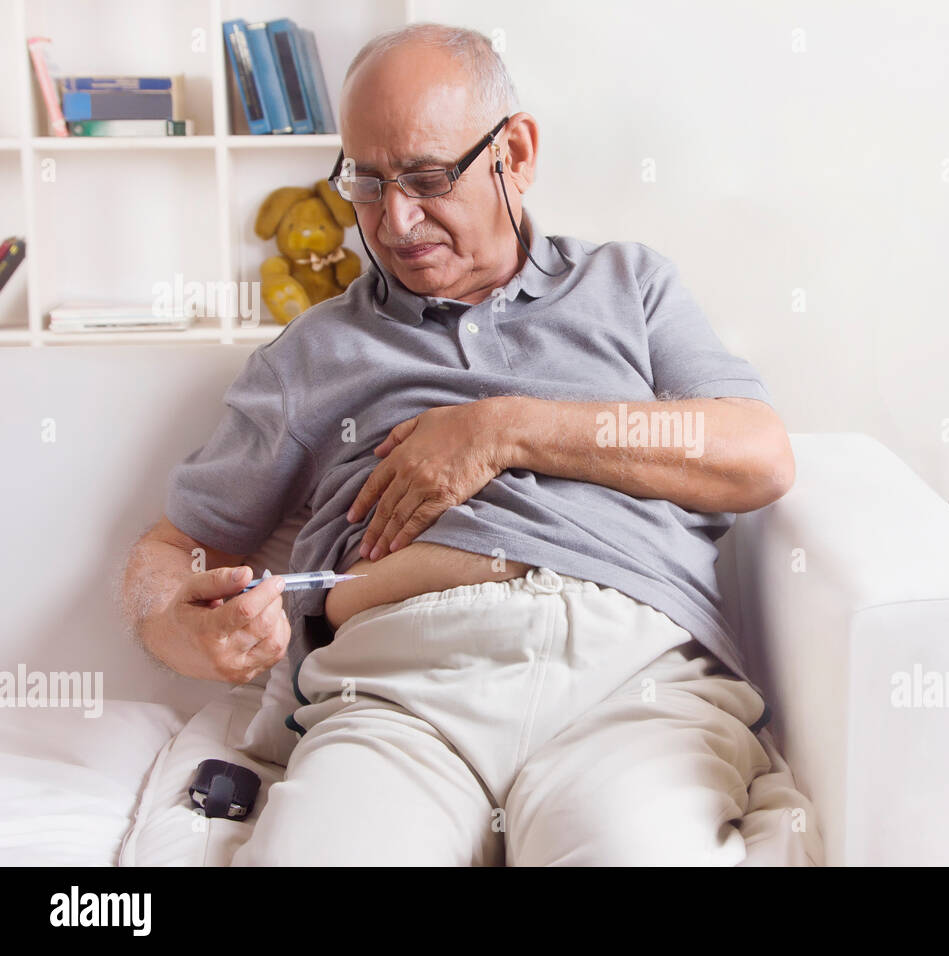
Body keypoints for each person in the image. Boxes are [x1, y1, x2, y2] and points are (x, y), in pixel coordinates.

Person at [120, 23, 821, 866]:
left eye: (426, 177)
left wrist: (504, 430)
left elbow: (757, 455)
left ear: (514, 153)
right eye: (367, 184)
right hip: (400, 691)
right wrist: (176, 626)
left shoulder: (628, 285)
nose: (396, 220)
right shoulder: (310, 355)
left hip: (628, 676)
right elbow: (174, 548)